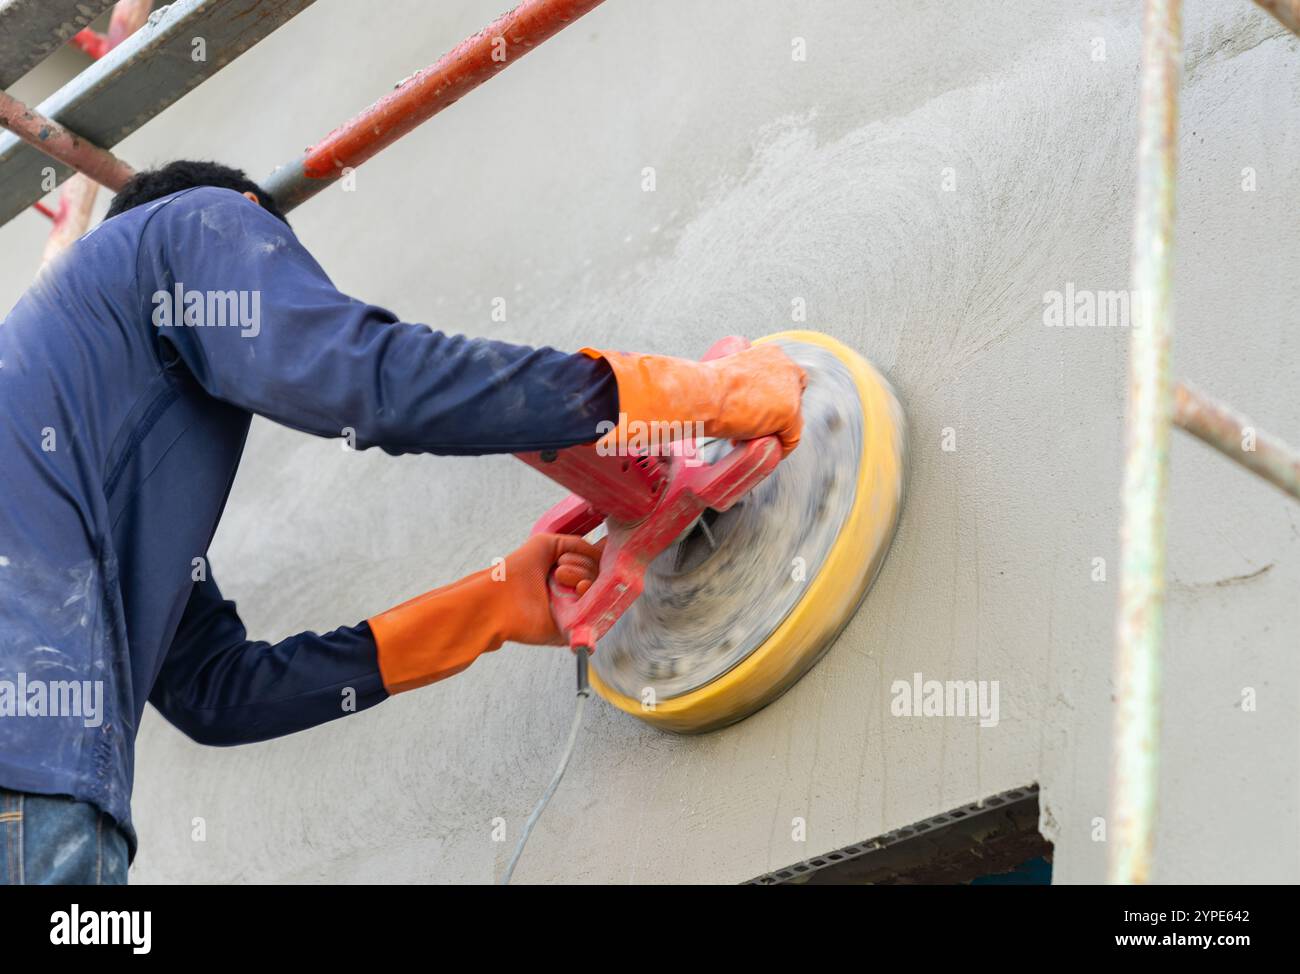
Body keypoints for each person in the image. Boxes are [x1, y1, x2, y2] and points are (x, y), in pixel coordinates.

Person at [0, 160, 805, 884]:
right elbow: (365, 380)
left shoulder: (77, 487)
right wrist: (696, 398)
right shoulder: (194, 221)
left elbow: (217, 693)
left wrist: (490, 606)